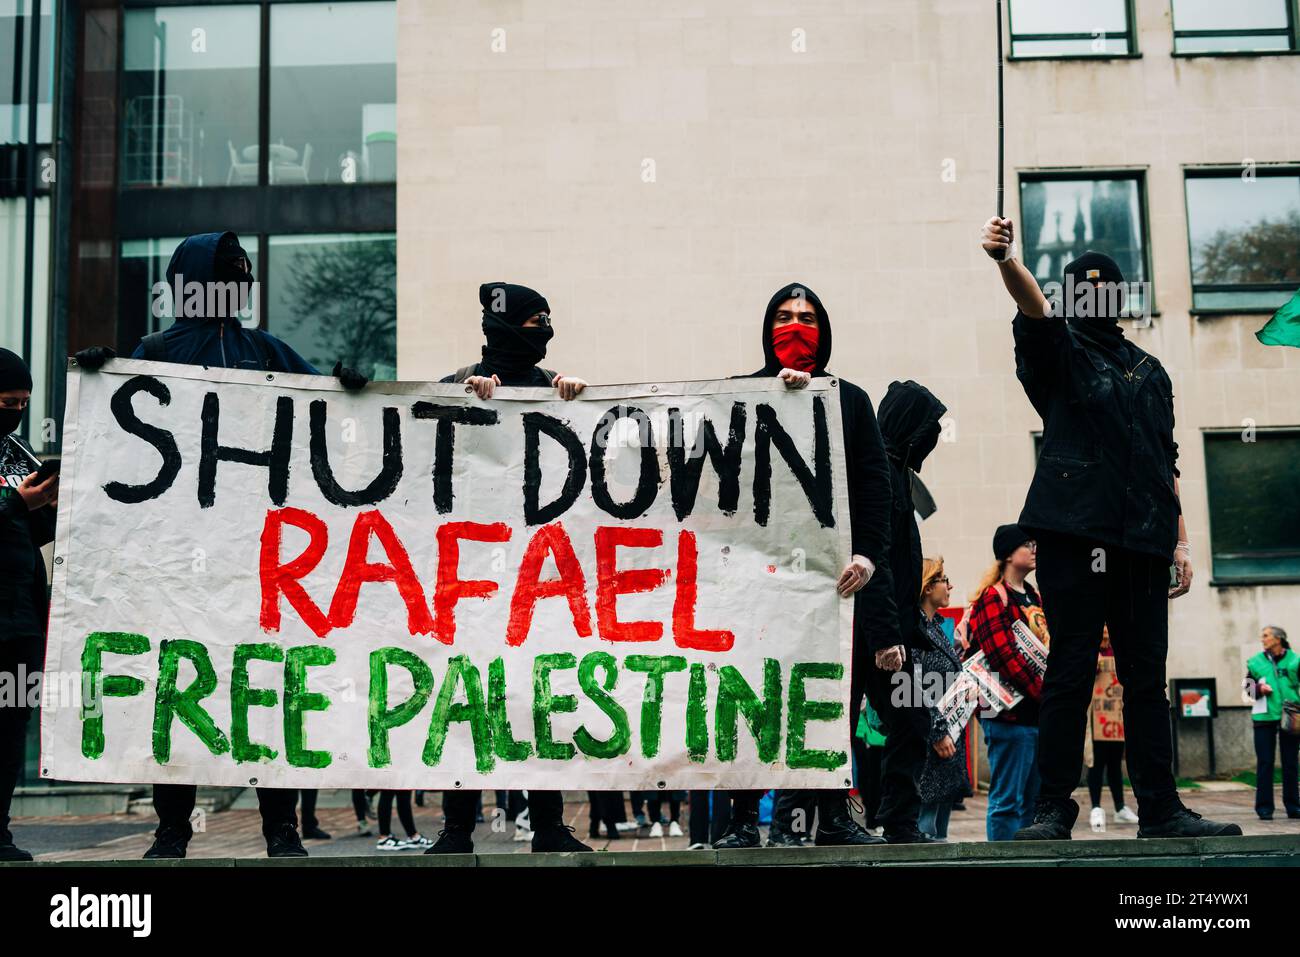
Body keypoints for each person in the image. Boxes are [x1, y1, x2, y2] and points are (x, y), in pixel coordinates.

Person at [75, 230, 367, 859]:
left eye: (240, 278)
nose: (235, 289)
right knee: (175, 686)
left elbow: (325, 413)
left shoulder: (267, 349)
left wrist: (351, 386)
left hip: (260, 562)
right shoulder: (153, 352)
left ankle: (279, 828)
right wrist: (104, 382)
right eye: (227, 276)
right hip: (179, 563)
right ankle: (174, 827)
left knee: (265, 688)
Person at [980, 219, 1241, 839]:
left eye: (1109, 286)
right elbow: (1035, 311)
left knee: (1147, 679)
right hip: (1074, 537)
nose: (1098, 296)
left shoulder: (1152, 371)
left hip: (1143, 543)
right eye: (1085, 288)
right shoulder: (1061, 353)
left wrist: (1180, 542)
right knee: (1069, 669)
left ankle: (1162, 808)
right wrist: (1006, 262)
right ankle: (1052, 809)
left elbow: (1166, 459)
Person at [711, 282, 897, 849]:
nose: (797, 327)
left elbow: (874, 487)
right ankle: (742, 821)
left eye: (808, 318)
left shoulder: (851, 400)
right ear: (767, 329)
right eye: (786, 318)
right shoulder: (739, 394)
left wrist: (866, 554)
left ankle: (833, 819)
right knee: (749, 698)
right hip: (754, 581)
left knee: (828, 699)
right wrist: (777, 400)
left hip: (827, 584)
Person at [426, 282, 591, 855]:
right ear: (503, 327)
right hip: (474, 583)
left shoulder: (555, 389)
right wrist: (460, 398)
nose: (544, 330)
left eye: (548, 319)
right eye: (533, 321)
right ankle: (456, 829)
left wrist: (574, 399)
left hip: (540, 585)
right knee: (470, 702)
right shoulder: (461, 382)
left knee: (540, 701)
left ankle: (548, 825)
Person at [866, 379, 949, 844]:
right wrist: (884, 635)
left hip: (895, 628)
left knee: (911, 718)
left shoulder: (897, 471)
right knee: (899, 717)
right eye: (928, 426)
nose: (934, 436)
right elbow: (872, 557)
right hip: (877, 631)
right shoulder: (877, 471)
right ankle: (802, 822)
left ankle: (896, 820)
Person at [0, 349, 58, 862]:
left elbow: (31, 530)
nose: (16, 411)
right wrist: (17, 503)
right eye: (7, 402)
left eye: (24, 403)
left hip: (20, 620)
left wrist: (48, 508)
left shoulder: (17, 453)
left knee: (10, 728)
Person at [961, 526, 1047, 841]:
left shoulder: (1034, 595)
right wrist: (1043, 692)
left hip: (1035, 714)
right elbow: (1002, 656)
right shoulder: (993, 597)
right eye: (1028, 545)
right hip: (1008, 716)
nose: (1034, 549)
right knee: (1007, 801)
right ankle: (1002, 861)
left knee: (1033, 804)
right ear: (1009, 554)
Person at [915, 558, 966, 842]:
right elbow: (912, 686)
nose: (950, 585)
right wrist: (937, 731)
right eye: (943, 579)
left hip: (945, 743)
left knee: (939, 835)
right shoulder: (916, 627)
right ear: (926, 587)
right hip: (931, 743)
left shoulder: (935, 625)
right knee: (927, 833)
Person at [1245, 625, 1300, 821]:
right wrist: (1259, 688)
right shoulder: (1255, 662)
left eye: (1266, 636)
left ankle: (1294, 806)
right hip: (1264, 717)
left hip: (1291, 716)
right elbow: (1248, 691)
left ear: (1279, 639)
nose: (1263, 639)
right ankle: (1264, 808)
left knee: (1291, 763)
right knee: (1265, 763)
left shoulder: (1295, 660)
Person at [1087, 627, 1139, 831]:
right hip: (1098, 717)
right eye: (1103, 631)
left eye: (1109, 630)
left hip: (1115, 719)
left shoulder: (1117, 652)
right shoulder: (1091, 651)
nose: (1106, 634)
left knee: (1115, 764)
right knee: (1096, 764)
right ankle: (1096, 807)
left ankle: (1120, 808)